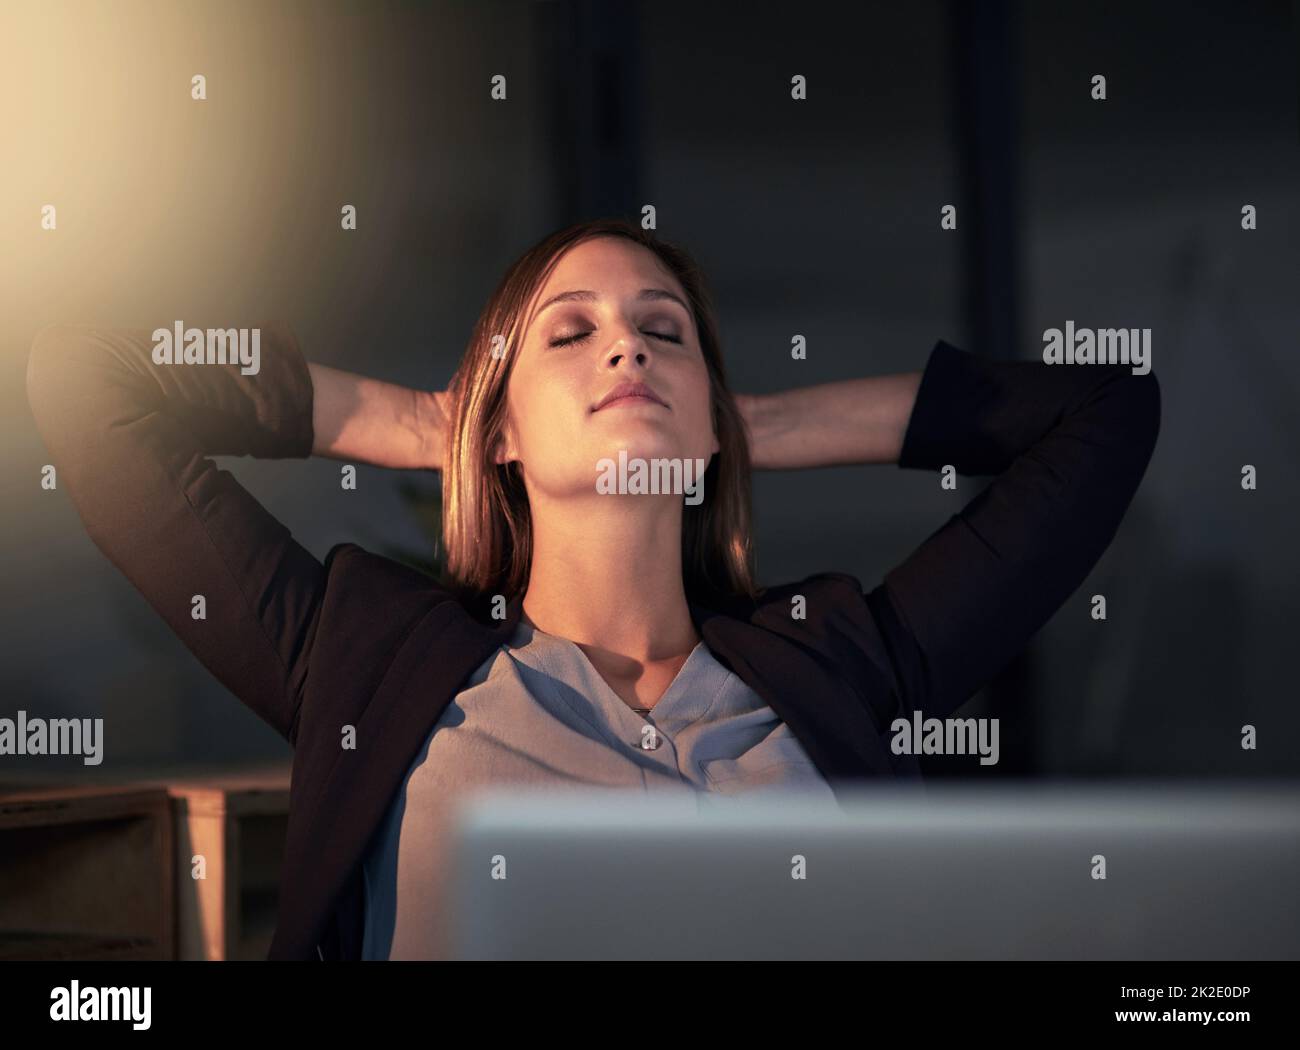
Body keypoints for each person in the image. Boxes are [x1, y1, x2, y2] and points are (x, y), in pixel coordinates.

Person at [25, 218, 1160, 959]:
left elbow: (1106, 413)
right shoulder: (365, 656)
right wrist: (421, 422)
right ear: (504, 426)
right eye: (570, 334)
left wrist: (747, 426)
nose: (628, 352)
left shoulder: (842, 660)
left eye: (664, 334)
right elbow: (84, 386)